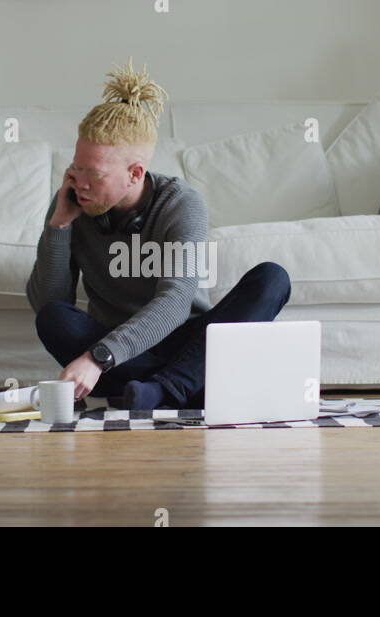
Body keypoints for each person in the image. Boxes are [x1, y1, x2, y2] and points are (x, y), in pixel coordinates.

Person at [26, 58, 291, 410]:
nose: (81, 183)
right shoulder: (72, 201)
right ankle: (180, 387)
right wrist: (58, 227)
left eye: (95, 174)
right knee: (53, 318)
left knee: (272, 279)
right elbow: (50, 302)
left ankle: (161, 391)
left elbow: (176, 301)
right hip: (123, 350)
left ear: (135, 173)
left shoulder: (180, 204)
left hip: (182, 339)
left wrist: (98, 358)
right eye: (76, 168)